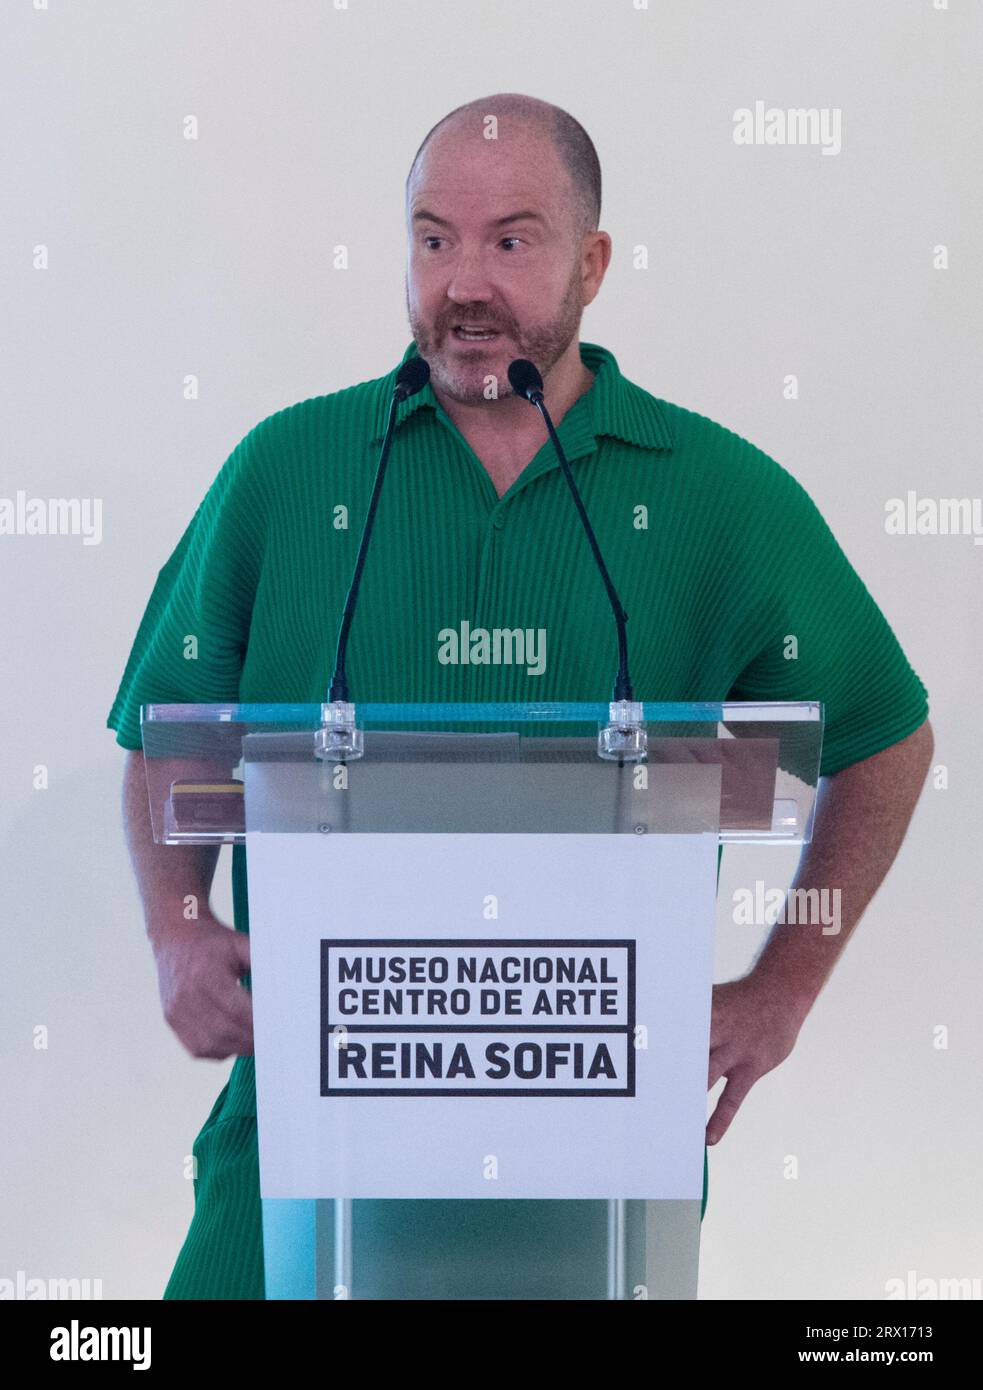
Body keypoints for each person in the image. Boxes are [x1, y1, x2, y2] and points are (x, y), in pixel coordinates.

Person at [108, 93, 933, 1299]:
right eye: (433, 239)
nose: (463, 282)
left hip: (594, 1164)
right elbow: (168, 722)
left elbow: (882, 737)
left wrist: (780, 990)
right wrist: (175, 927)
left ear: (591, 264)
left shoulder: (714, 496)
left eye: (511, 239)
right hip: (302, 1134)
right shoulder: (289, 473)